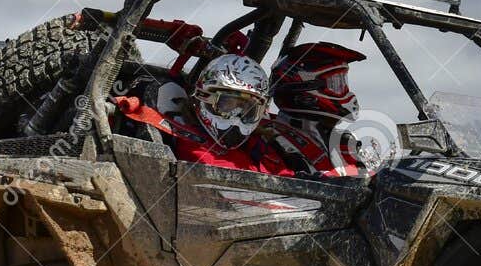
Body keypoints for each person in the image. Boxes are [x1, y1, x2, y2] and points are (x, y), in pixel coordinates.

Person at [114, 53, 294, 174]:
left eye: (247, 109)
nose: (237, 116)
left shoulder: (260, 147)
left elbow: (288, 181)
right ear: (204, 97)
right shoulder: (182, 136)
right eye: (228, 104)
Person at [264, 41, 368, 176]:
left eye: (343, 82)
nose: (346, 92)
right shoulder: (270, 141)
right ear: (304, 89)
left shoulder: (342, 142)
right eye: (336, 84)